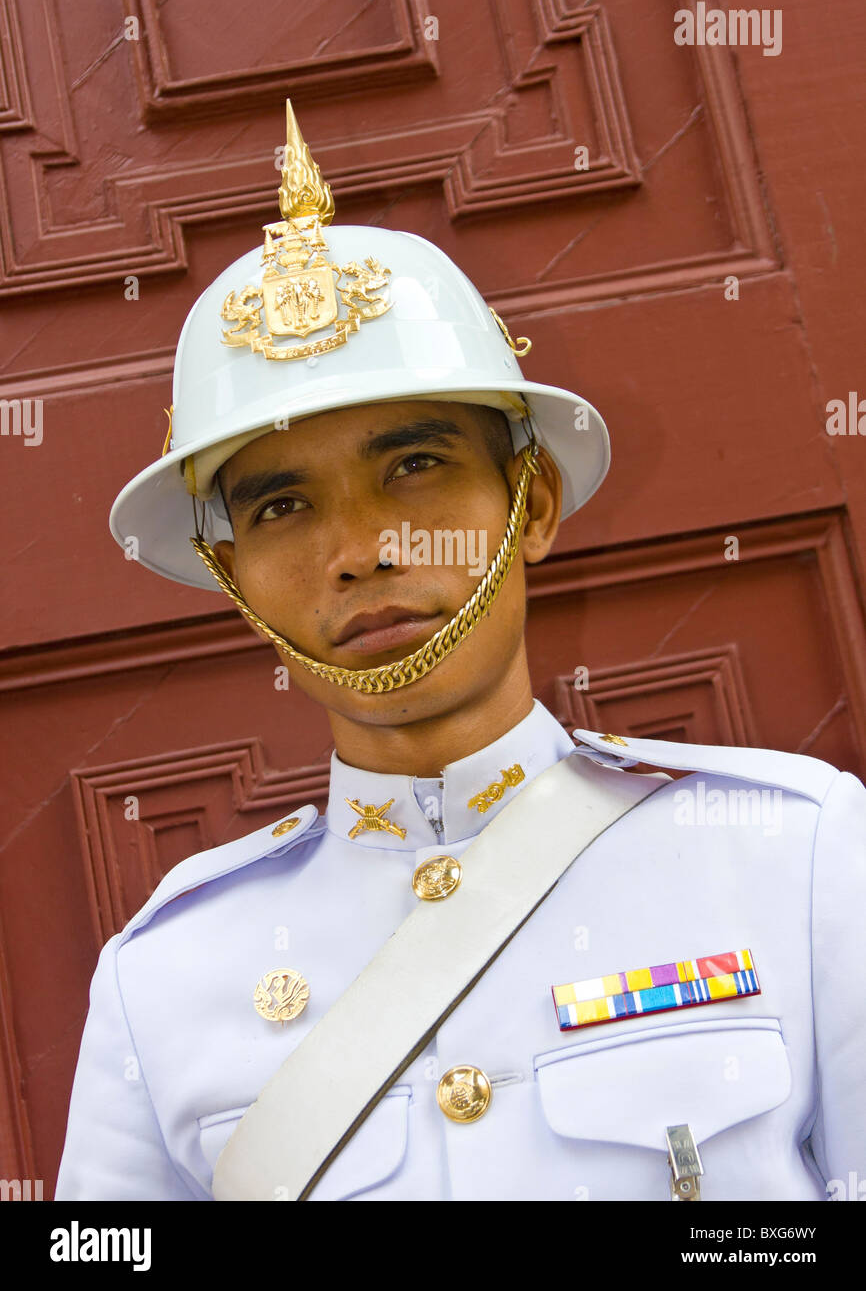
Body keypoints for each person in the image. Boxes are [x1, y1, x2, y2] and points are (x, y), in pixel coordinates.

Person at [55, 102, 866, 1202]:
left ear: (529, 503)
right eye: (283, 503)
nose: (358, 551)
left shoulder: (799, 856)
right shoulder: (160, 980)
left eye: (416, 465)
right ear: (232, 573)